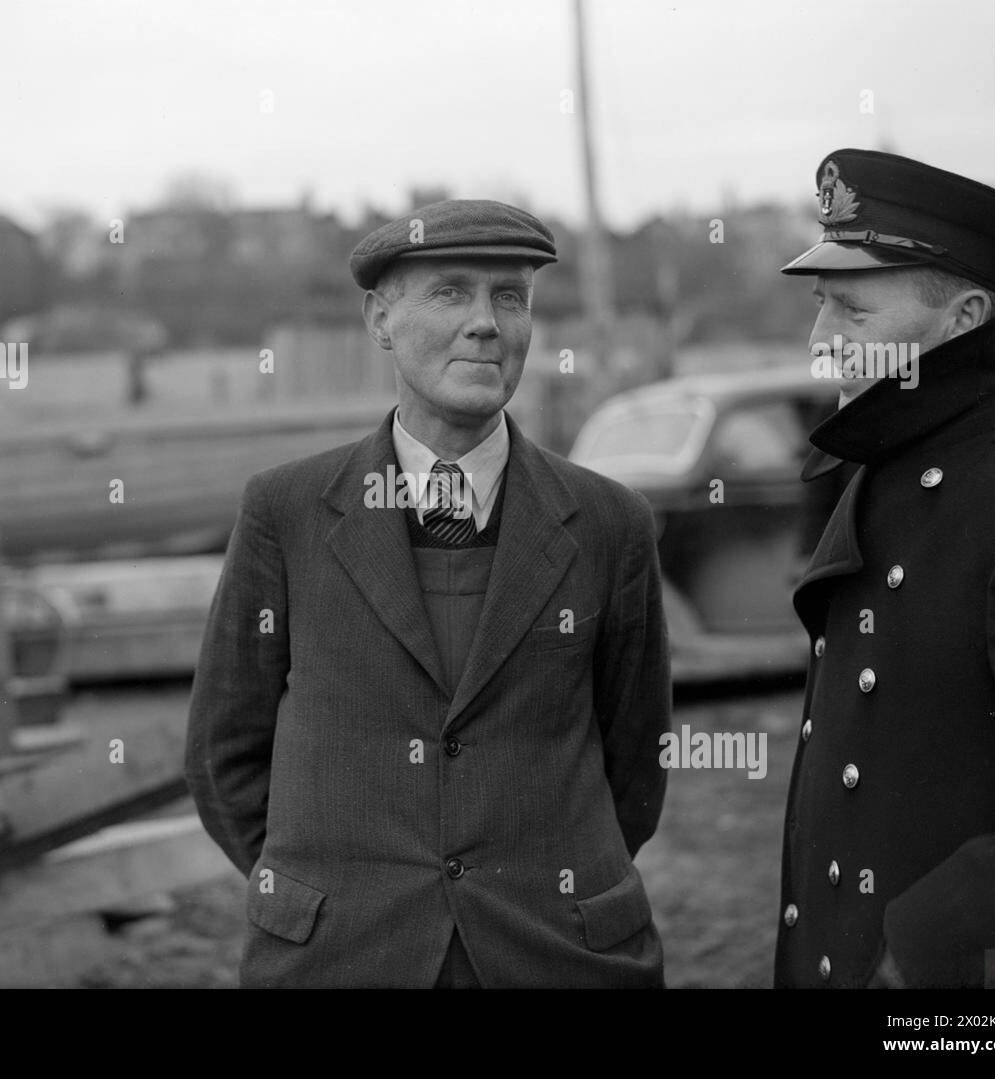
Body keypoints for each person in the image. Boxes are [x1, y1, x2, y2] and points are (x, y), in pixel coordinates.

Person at [185, 198, 671, 988]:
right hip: (345, 959)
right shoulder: (287, 511)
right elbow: (223, 751)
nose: (486, 322)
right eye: (450, 292)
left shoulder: (611, 522)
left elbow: (636, 753)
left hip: (559, 955)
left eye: (508, 297)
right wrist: (329, 894)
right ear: (380, 318)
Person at [775, 148, 995, 988]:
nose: (820, 344)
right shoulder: (884, 459)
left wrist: (925, 954)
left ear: (965, 316)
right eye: (820, 305)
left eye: (852, 313)